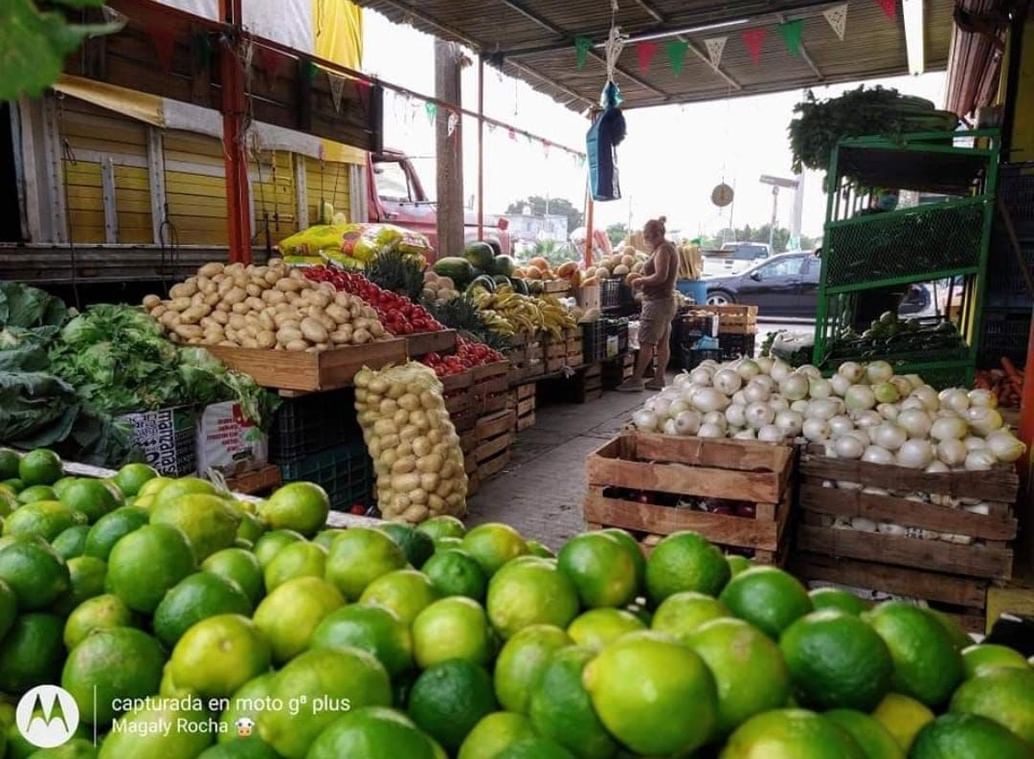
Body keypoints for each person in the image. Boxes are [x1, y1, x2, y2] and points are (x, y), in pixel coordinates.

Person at [617, 216, 678, 392]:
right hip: (666, 301)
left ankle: (636, 380)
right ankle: (658, 379)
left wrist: (640, 281)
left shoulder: (663, 250)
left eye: (646, 236)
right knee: (663, 341)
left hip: (657, 303)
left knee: (646, 342)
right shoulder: (668, 248)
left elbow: (661, 276)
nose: (646, 240)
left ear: (653, 235)